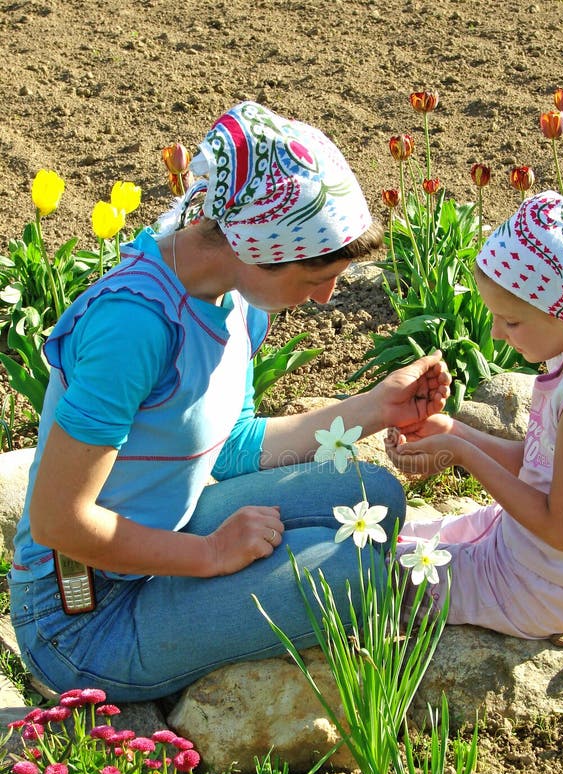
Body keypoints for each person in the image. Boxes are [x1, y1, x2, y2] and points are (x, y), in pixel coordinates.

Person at [9, 101, 450, 703]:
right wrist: (211, 554)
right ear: (255, 248)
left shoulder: (238, 297)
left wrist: (374, 408)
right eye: (315, 275)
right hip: (82, 612)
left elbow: (233, 442)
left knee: (376, 496)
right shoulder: (134, 326)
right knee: (359, 574)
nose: (326, 297)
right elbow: (62, 521)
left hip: (163, 531)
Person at [386, 190, 563, 694]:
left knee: (377, 576)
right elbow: (539, 466)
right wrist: (455, 431)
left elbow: (561, 529)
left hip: (537, 587)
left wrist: (464, 454)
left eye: (512, 321)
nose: (496, 332)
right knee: (398, 538)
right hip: (525, 550)